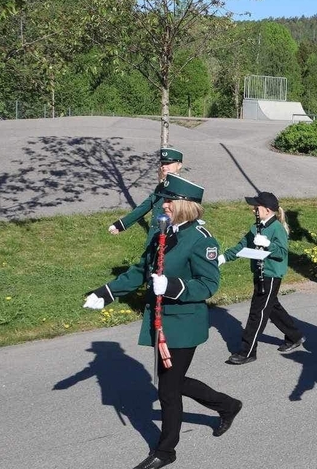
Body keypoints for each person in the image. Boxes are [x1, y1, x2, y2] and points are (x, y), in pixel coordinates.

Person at [83, 174, 241, 469]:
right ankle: (227, 405)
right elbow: (141, 270)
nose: (163, 205)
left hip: (184, 324)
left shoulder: (201, 240)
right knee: (174, 383)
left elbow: (209, 285)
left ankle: (166, 451)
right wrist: (106, 293)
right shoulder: (161, 233)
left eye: (169, 201)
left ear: (185, 204)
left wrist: (171, 286)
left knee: (167, 389)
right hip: (162, 322)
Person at [218, 191, 305, 365]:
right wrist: (224, 258)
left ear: (266, 210)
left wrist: (268, 244)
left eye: (256, 207)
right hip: (259, 273)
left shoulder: (277, 228)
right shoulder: (255, 227)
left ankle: (247, 351)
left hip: (271, 275)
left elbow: (281, 253)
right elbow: (242, 246)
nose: (253, 210)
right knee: (272, 307)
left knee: (257, 313)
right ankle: (295, 336)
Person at [107, 147, 184, 242]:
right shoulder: (161, 187)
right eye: (163, 163)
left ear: (179, 165)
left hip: (171, 240)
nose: (164, 166)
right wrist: (120, 225)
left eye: (168, 163)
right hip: (153, 239)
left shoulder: (184, 190)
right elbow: (144, 207)